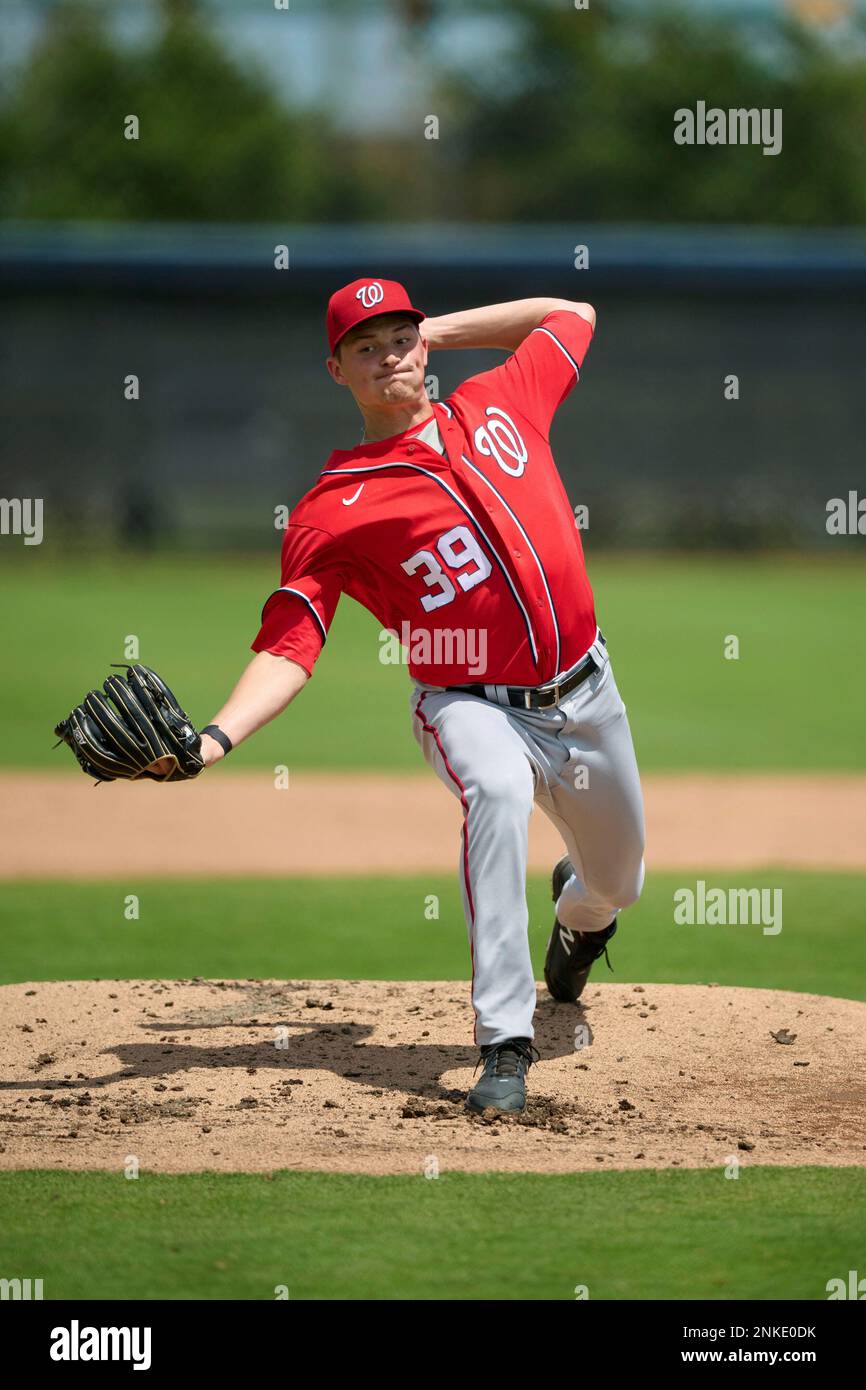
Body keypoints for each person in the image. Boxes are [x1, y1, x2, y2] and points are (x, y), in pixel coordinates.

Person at [187, 278, 646, 1115]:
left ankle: (580, 921)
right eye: (366, 346)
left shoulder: (502, 396)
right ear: (337, 371)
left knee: (619, 881)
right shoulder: (333, 510)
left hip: (586, 692)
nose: (389, 355)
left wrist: (437, 325)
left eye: (400, 337)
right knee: (497, 793)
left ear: (425, 344)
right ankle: (505, 1044)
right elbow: (291, 642)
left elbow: (572, 315)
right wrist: (212, 739)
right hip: (465, 700)